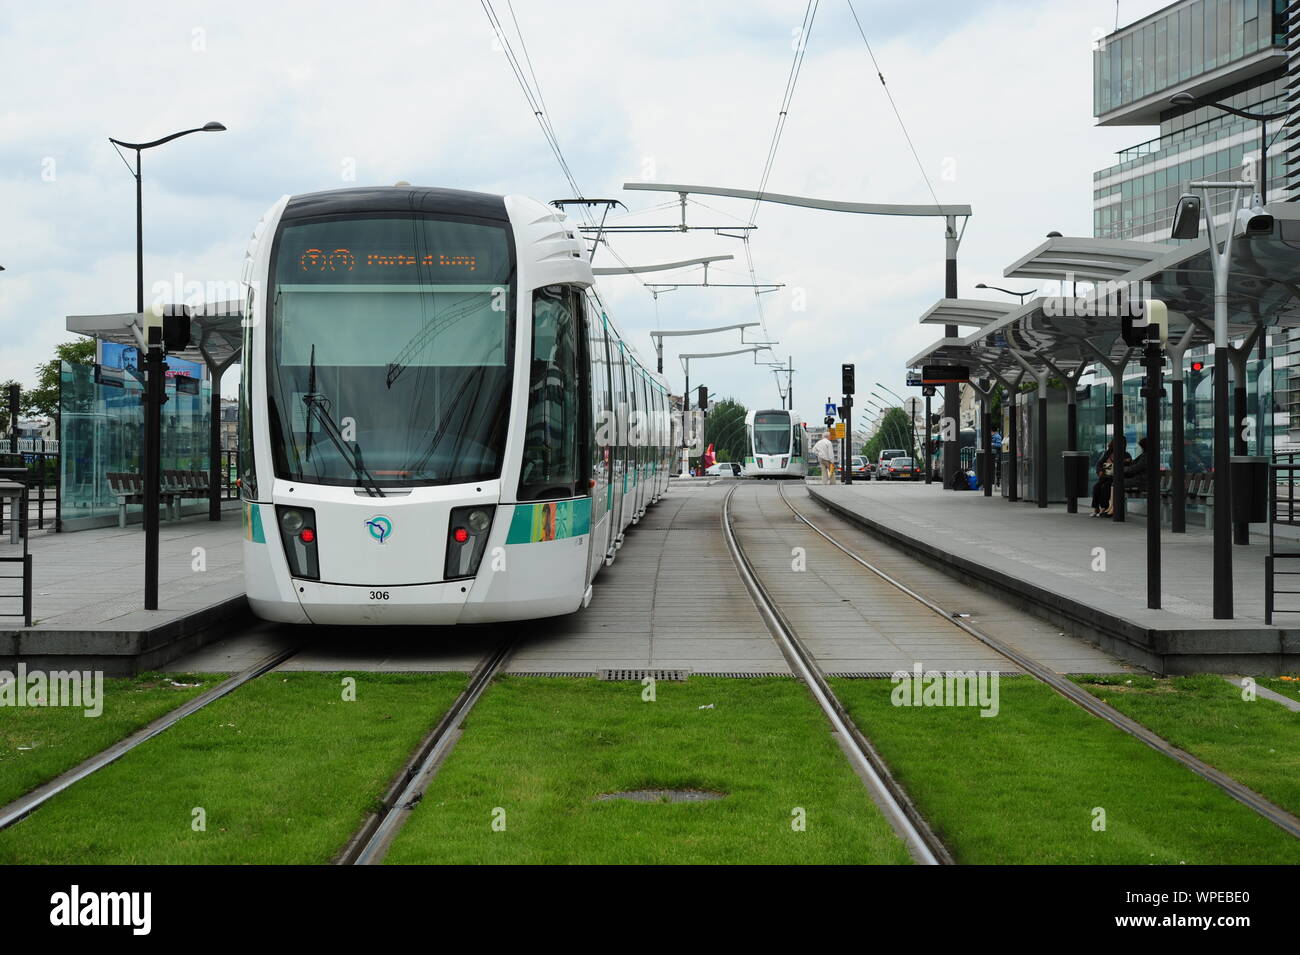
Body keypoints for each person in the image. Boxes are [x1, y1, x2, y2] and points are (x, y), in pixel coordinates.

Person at [1094, 436, 1132, 517]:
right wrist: (1100, 471)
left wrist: (1118, 463)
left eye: (1123, 443)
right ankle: (1096, 507)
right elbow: (1099, 464)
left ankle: (1104, 507)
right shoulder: (1108, 453)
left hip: (1116, 478)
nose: (1121, 445)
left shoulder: (1126, 455)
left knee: (1105, 487)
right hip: (1106, 476)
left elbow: (1128, 467)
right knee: (1096, 486)